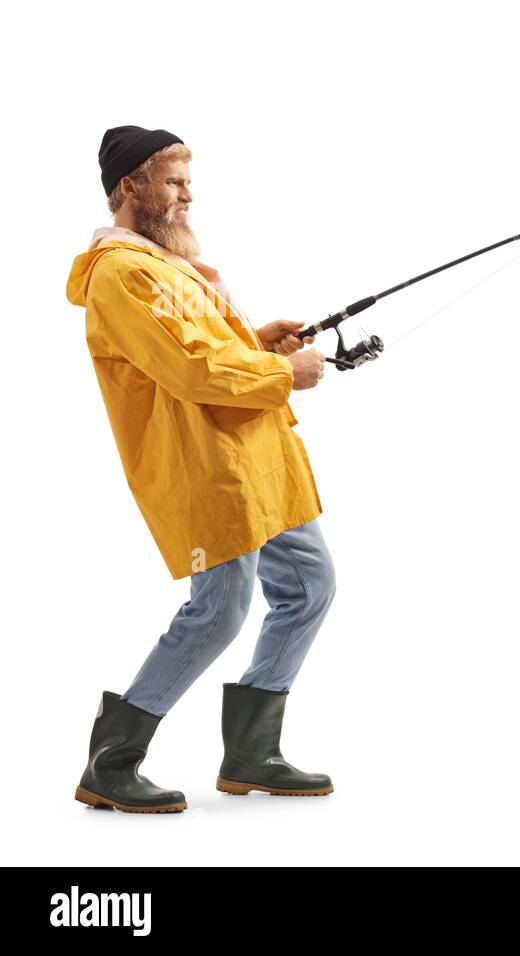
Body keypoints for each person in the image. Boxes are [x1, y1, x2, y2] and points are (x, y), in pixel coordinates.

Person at [66, 126, 337, 813]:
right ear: (130, 187)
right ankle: (113, 761)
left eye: (189, 181)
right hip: (206, 467)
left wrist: (260, 341)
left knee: (309, 585)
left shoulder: (168, 266)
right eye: (174, 182)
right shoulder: (123, 274)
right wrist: (282, 370)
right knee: (220, 610)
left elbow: (208, 346)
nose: (189, 195)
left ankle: (252, 753)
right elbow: (188, 368)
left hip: (254, 458)